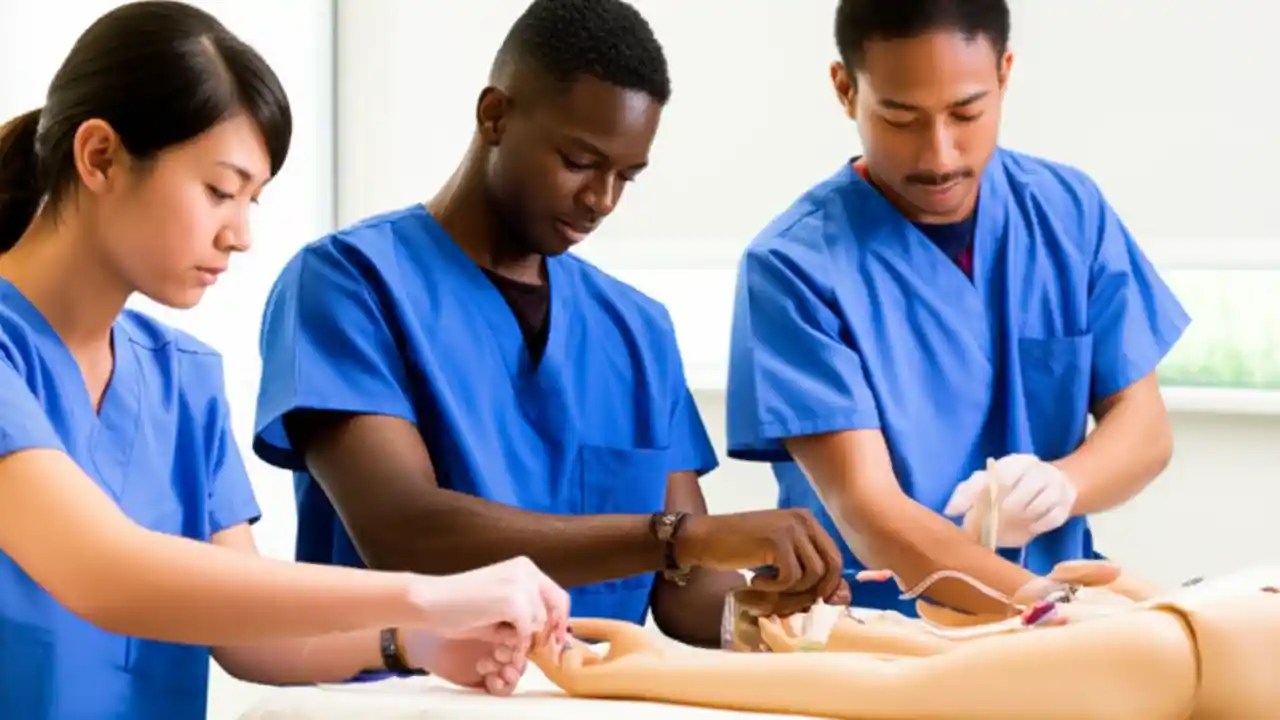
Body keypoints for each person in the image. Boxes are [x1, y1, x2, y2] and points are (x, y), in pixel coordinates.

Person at [0, 3, 568, 718]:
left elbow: (246, 636)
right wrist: (427, 591)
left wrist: (411, 641)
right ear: (100, 156)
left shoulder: (183, 375)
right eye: (218, 190)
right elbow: (101, 570)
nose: (240, 234)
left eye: (253, 199)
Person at [252, 0, 846, 650]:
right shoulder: (349, 284)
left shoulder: (638, 331)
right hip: (400, 693)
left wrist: (770, 609)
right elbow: (402, 530)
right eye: (580, 161)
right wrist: (675, 538)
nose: (602, 200)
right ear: (495, 115)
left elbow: (682, 591)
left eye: (627, 176)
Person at [725, 0, 1189, 617]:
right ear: (845, 89)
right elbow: (870, 511)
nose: (940, 155)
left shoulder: (1068, 213)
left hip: (1061, 629)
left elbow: (1144, 427)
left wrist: (1064, 484)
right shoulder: (794, 267)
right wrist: (1047, 606)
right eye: (901, 118)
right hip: (874, 634)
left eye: (966, 112)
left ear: (1004, 74)